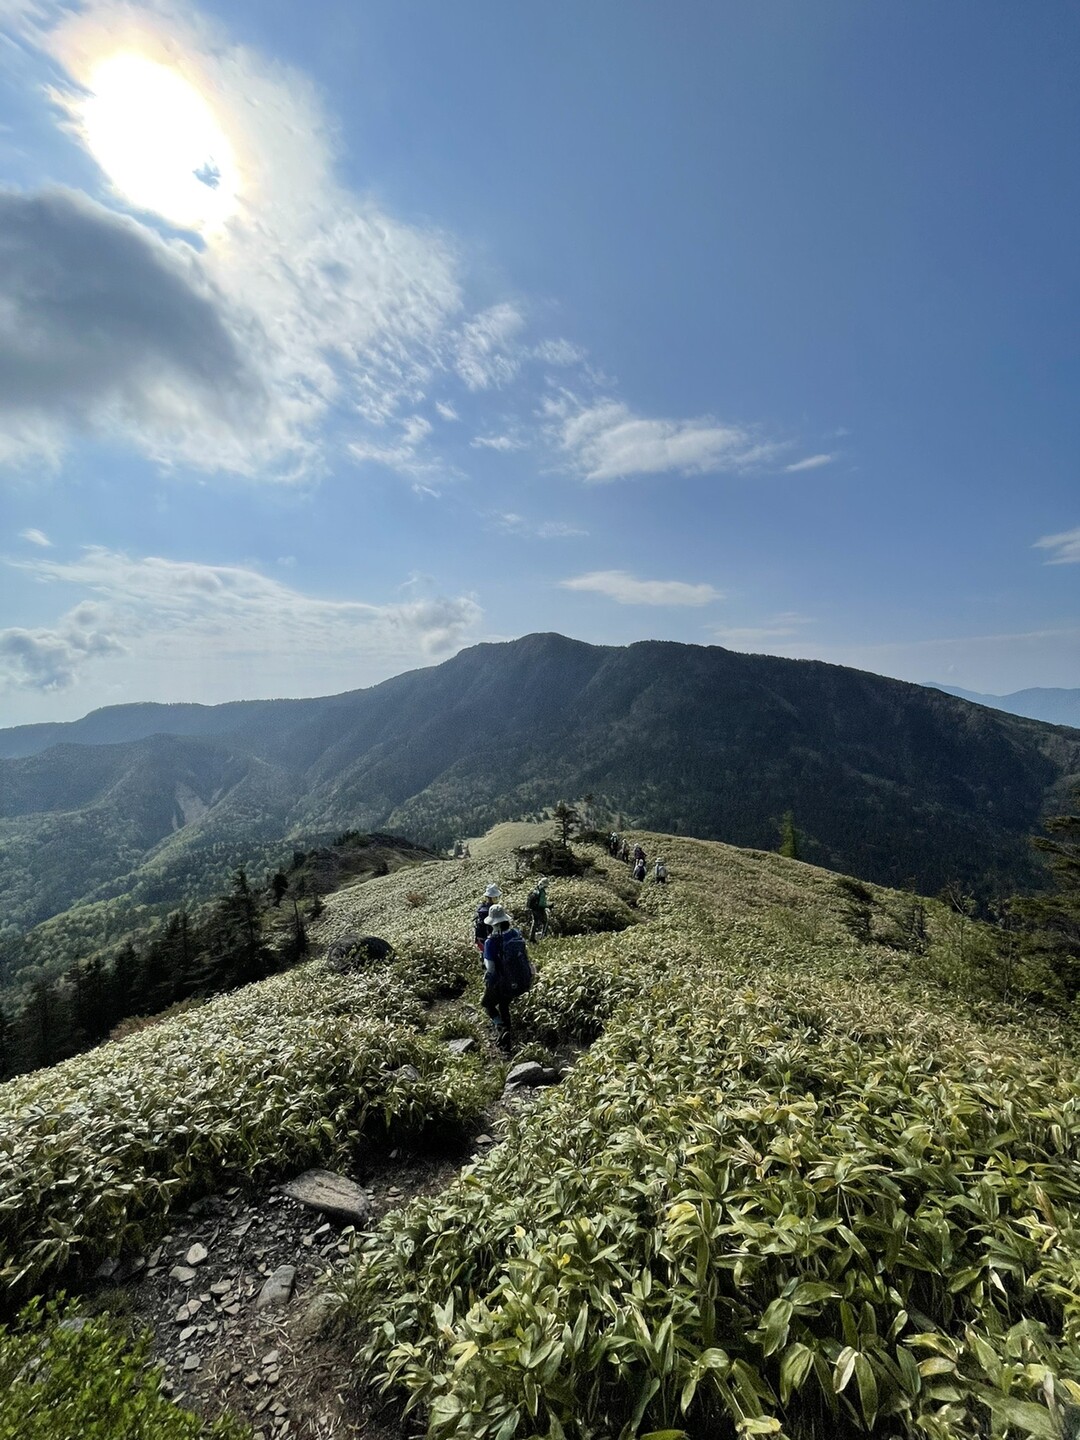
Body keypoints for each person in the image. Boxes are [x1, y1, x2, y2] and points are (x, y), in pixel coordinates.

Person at [481, 905, 533, 1050]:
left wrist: (487, 974)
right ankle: (507, 1032)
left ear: (493, 924)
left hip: (502, 981)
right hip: (520, 979)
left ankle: (502, 1028)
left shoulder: (491, 942)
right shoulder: (516, 933)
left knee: (488, 1004)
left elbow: (490, 968)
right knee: (505, 1003)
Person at [473, 883, 502, 955]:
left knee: (485, 955)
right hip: (492, 939)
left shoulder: (480, 907)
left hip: (480, 939)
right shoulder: (494, 909)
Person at [526, 876, 552, 941]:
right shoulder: (542, 892)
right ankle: (543, 937)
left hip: (533, 909)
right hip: (539, 909)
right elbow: (541, 904)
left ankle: (531, 938)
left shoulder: (535, 889)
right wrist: (548, 905)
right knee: (545, 922)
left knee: (534, 923)